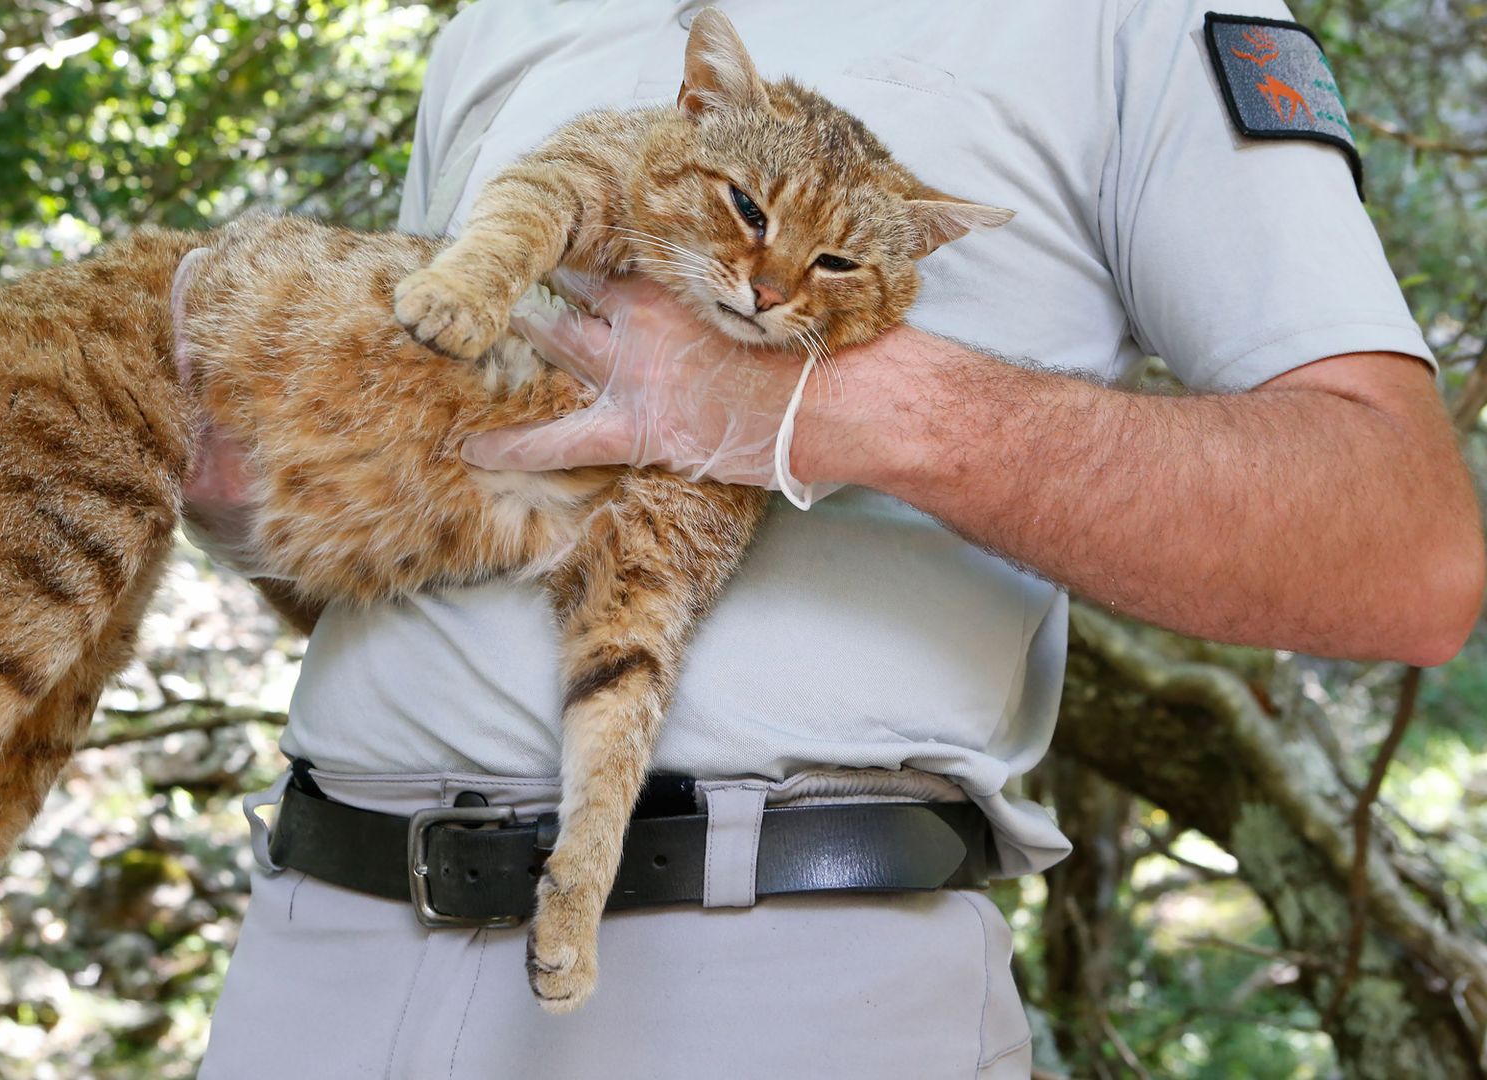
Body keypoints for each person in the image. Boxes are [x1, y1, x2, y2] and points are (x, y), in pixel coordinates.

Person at [192, 2, 1484, 1077]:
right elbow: (428, 524)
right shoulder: (504, 20)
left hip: (775, 973)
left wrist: (831, 406)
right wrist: (237, 476)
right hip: (320, 937)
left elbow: (1406, 556)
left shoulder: (1126, 20)